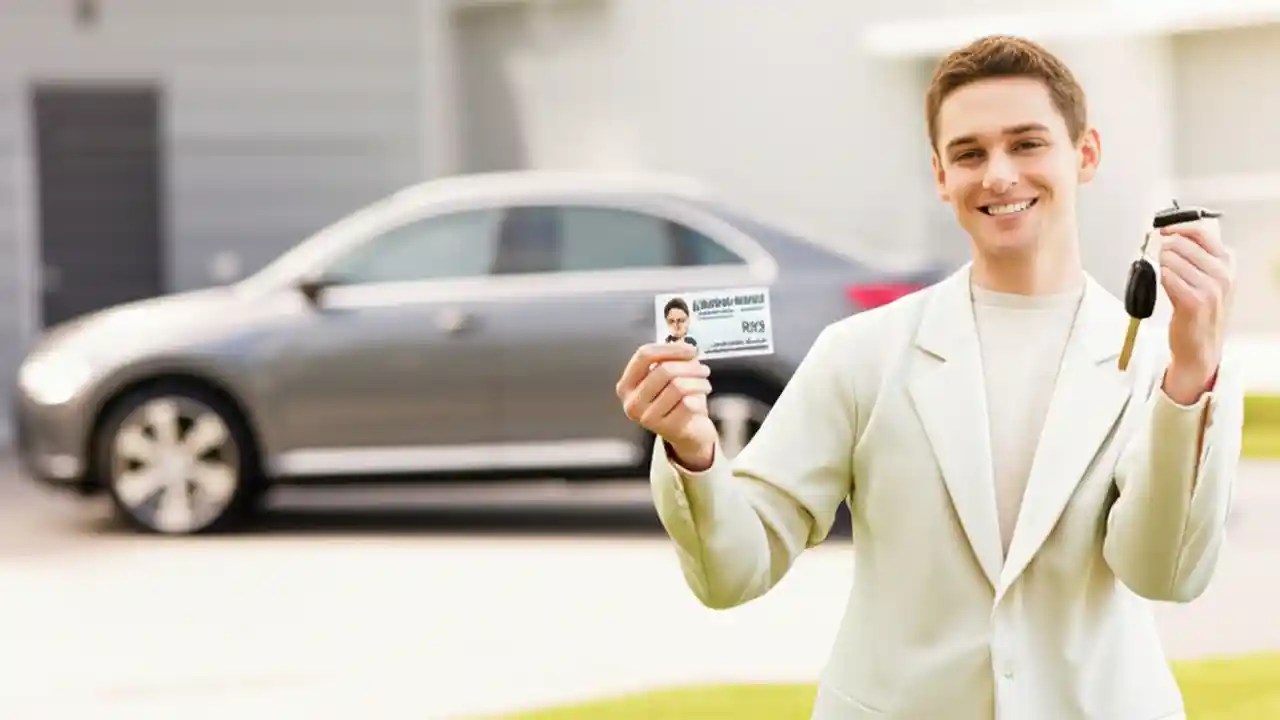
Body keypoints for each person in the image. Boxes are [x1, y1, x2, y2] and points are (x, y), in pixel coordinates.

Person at [614, 35, 1241, 719]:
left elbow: (1165, 574)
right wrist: (693, 451)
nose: (998, 174)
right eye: (970, 153)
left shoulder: (1161, 365)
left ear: (1084, 154)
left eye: (1027, 144)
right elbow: (734, 572)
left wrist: (1192, 370)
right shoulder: (861, 353)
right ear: (940, 174)